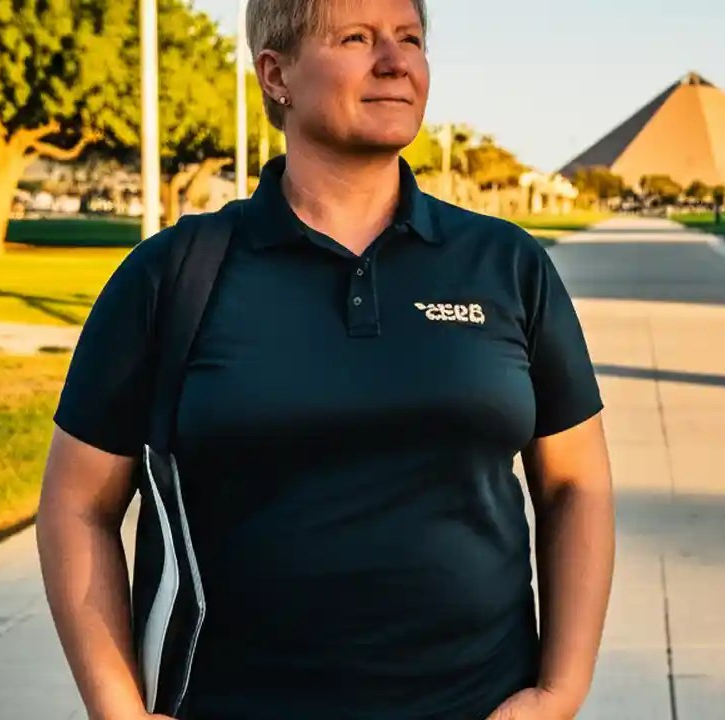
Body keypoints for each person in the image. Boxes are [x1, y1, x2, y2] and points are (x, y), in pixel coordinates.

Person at [34, 0, 616, 718]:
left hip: (476, 705)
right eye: (356, 38)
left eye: (410, 39)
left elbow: (576, 485)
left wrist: (559, 691)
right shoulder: (173, 275)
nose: (396, 61)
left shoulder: (506, 265)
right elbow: (76, 503)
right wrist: (116, 709)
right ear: (276, 74)